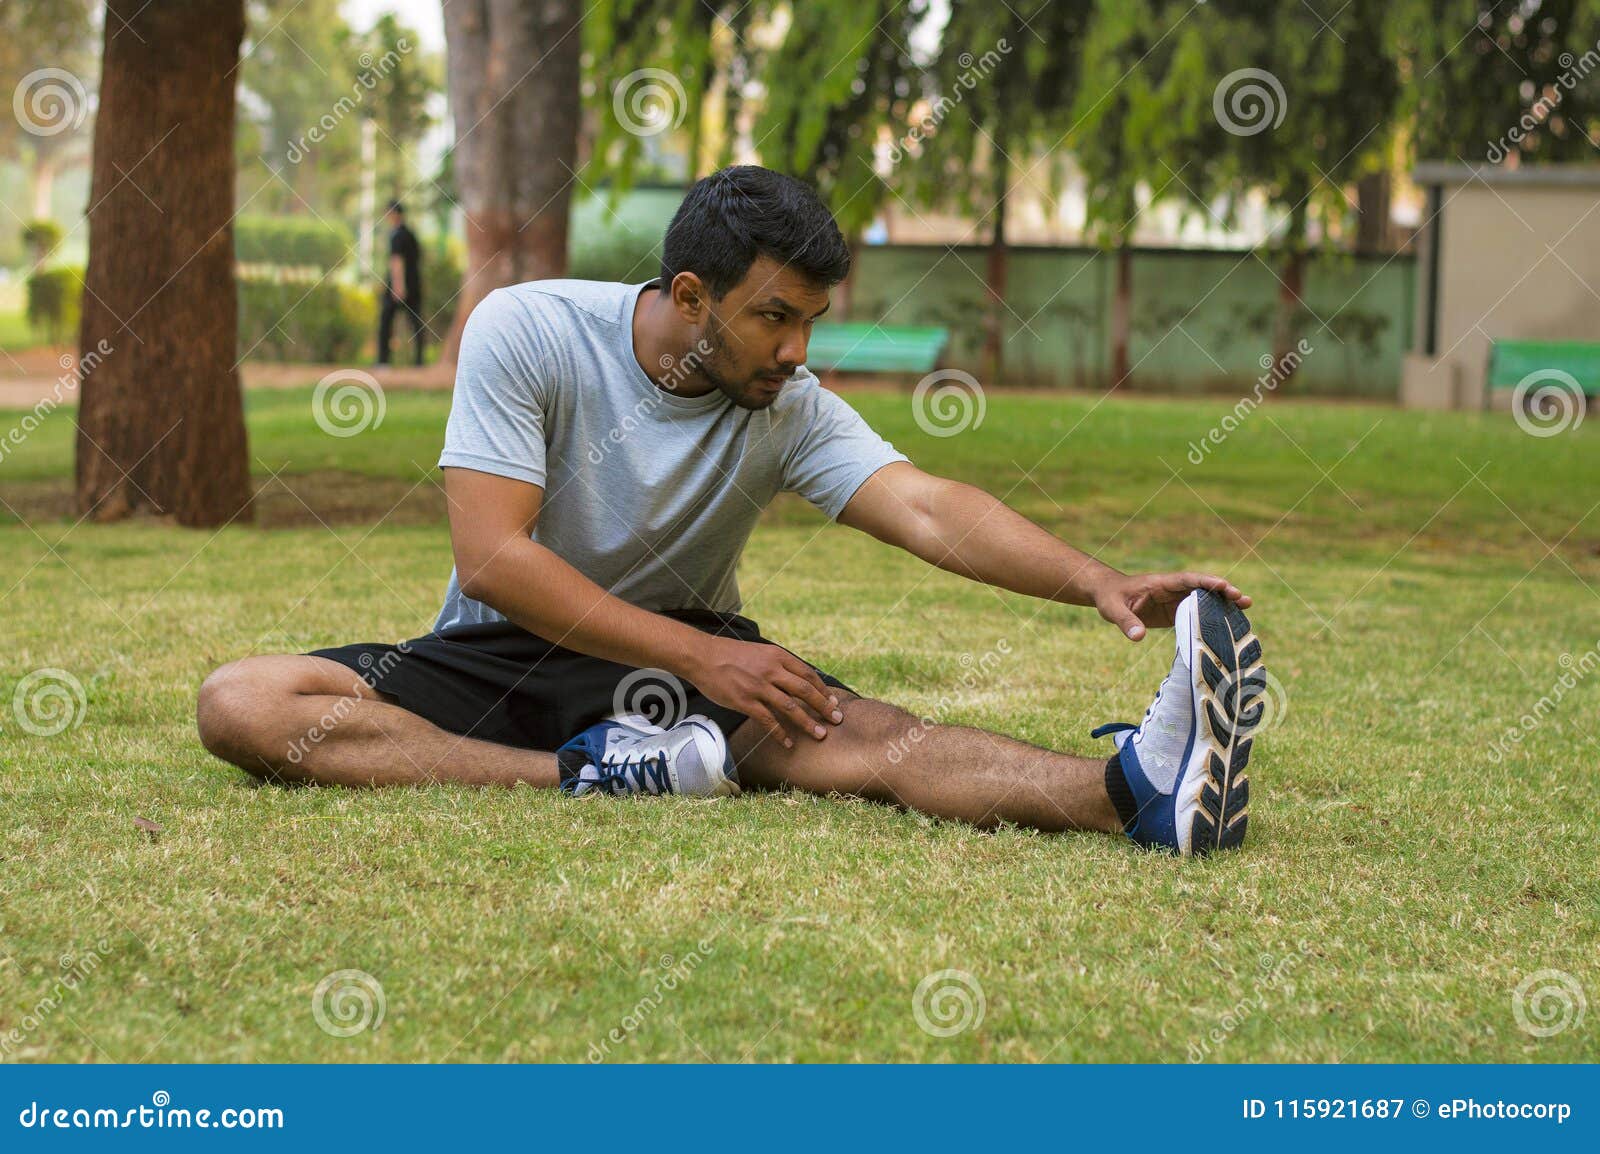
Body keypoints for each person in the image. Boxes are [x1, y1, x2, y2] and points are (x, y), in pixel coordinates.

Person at [196, 166, 1264, 856]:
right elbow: (491, 559)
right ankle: (598, 775)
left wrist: (1094, 578)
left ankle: (1135, 790)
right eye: (774, 317)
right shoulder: (528, 331)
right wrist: (701, 666)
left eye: (811, 319)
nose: (798, 350)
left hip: (685, 655)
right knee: (243, 702)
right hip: (504, 649)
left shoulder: (785, 404)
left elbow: (930, 508)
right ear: (691, 294)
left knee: (879, 742)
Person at [376, 199, 424, 366]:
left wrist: (398, 286)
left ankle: (383, 360)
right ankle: (419, 360)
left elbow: (397, 261)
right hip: (414, 283)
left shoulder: (397, 235)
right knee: (416, 321)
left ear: (395, 214)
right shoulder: (411, 234)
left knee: (385, 321)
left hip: (400, 286)